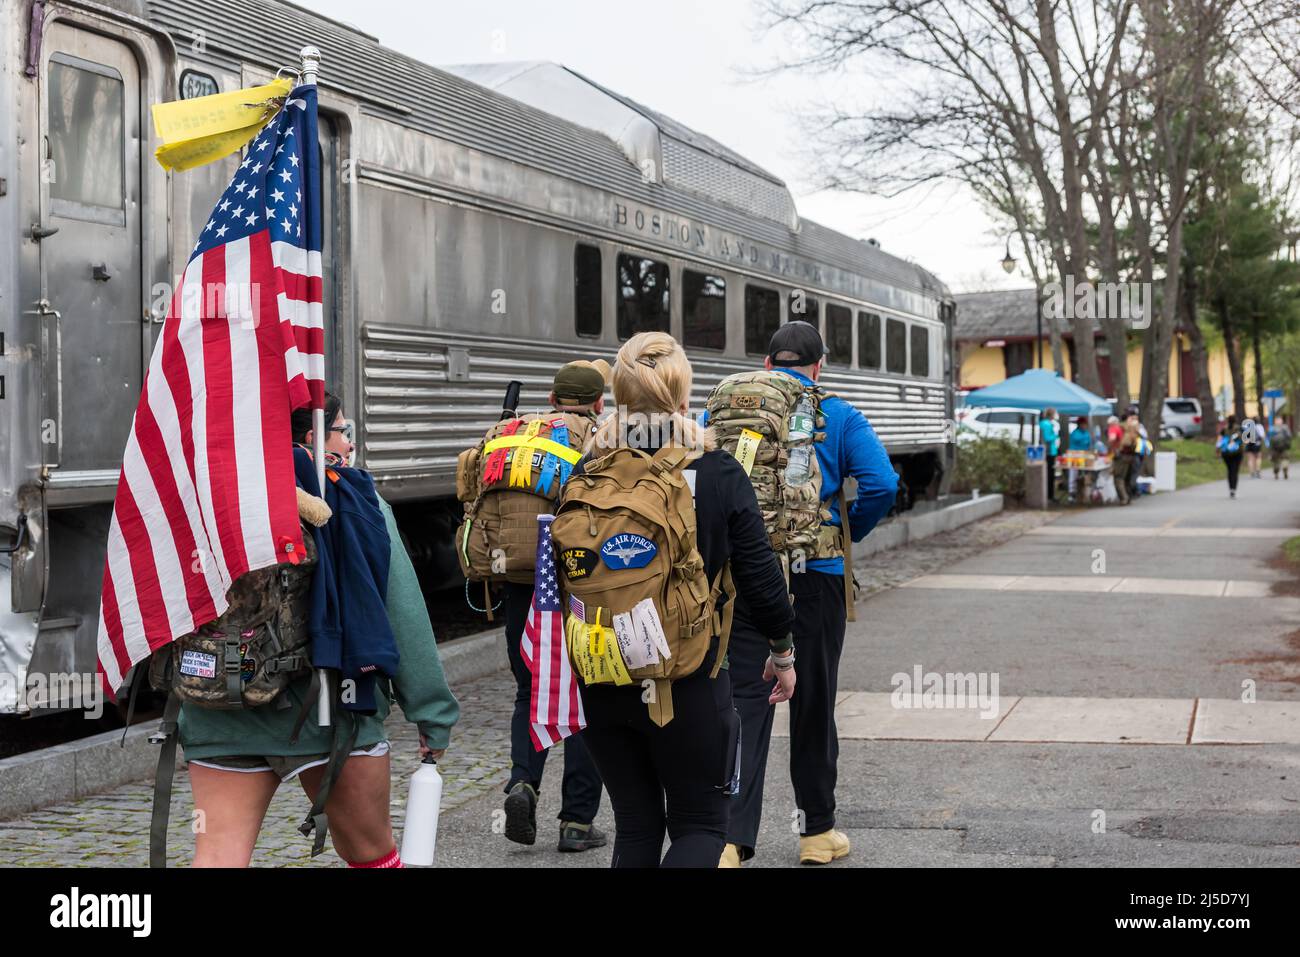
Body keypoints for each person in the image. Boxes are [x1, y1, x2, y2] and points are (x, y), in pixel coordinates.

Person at [178, 393, 460, 867]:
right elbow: (402, 615)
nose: (348, 444)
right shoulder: (351, 498)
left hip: (218, 707)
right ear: (313, 435)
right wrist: (432, 715)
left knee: (218, 857)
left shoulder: (204, 502)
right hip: (328, 713)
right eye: (343, 431)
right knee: (373, 857)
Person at [561, 332, 796, 868]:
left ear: (618, 395)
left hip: (603, 678)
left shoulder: (588, 471)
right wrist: (782, 653)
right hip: (687, 682)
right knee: (699, 826)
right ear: (683, 394)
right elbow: (761, 578)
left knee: (637, 828)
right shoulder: (714, 470)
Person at [721, 321, 899, 866]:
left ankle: (727, 841)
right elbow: (883, 484)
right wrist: (846, 536)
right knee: (814, 699)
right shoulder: (838, 415)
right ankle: (816, 834)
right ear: (819, 366)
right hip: (816, 573)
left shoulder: (729, 410)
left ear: (768, 364)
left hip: (748, 575)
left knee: (744, 703)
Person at [497, 362, 608, 852]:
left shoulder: (515, 432)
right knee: (585, 695)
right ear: (598, 402)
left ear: (552, 396)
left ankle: (523, 782)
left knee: (530, 688)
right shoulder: (600, 438)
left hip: (523, 580)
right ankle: (577, 823)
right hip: (580, 581)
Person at [1111, 418, 1141, 506]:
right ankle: (1129, 497)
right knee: (1127, 478)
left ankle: (1124, 498)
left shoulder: (1128, 436)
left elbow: (1124, 445)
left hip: (1123, 458)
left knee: (1119, 478)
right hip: (1131, 458)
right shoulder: (1135, 436)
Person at [1217, 415, 1245, 498]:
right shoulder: (1240, 429)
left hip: (1226, 453)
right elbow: (1245, 439)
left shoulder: (1224, 429)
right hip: (1238, 452)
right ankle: (1234, 489)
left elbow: (1219, 440)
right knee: (1235, 471)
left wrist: (1218, 450)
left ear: (1228, 421)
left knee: (1230, 470)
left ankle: (1230, 488)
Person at [1067, 416, 1091, 501]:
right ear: (1080, 424)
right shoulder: (1075, 433)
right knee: (1073, 474)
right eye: (1083, 424)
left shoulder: (1086, 433)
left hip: (1084, 456)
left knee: (1084, 475)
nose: (1085, 426)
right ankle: (1072, 493)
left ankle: (1084, 493)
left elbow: (1088, 444)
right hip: (1074, 457)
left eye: (1085, 424)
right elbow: (1080, 441)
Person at [1039, 408, 1060, 503]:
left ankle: (1050, 495)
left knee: (1050, 474)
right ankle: (1049, 496)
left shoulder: (1046, 423)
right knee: (1049, 474)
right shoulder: (1047, 424)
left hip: (1050, 451)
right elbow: (1048, 438)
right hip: (1049, 452)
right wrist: (1055, 436)